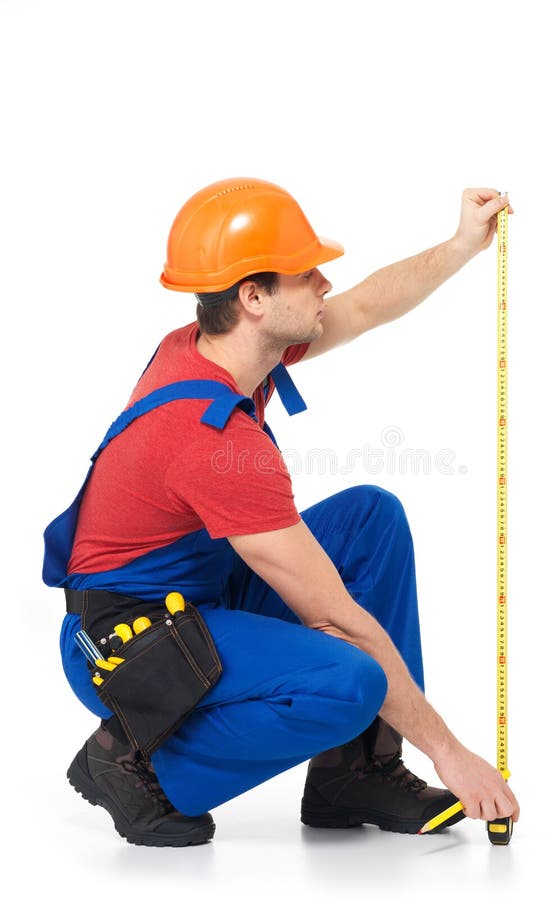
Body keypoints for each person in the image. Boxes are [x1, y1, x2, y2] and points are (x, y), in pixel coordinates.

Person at [43, 177, 520, 847]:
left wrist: (461, 245)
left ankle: (354, 775)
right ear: (254, 297)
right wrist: (450, 753)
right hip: (126, 645)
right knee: (349, 681)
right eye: (306, 273)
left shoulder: (215, 348)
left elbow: (364, 307)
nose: (326, 283)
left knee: (369, 520)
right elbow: (336, 619)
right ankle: (134, 765)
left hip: (195, 597)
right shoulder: (212, 441)